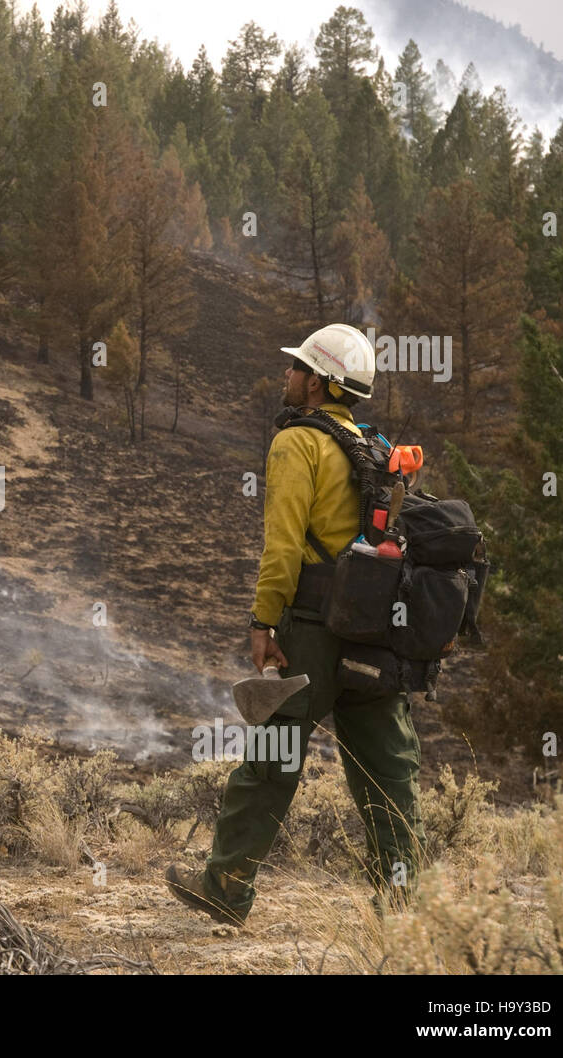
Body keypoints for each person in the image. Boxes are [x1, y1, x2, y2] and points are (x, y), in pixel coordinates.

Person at [168, 324, 425, 925]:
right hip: (374, 632)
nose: (287, 375)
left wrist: (263, 622)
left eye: (296, 367)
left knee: (272, 759)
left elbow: (282, 547)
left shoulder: (297, 444)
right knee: (389, 771)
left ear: (317, 382)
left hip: (310, 629)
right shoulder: (373, 443)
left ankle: (225, 889)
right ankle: (405, 907)